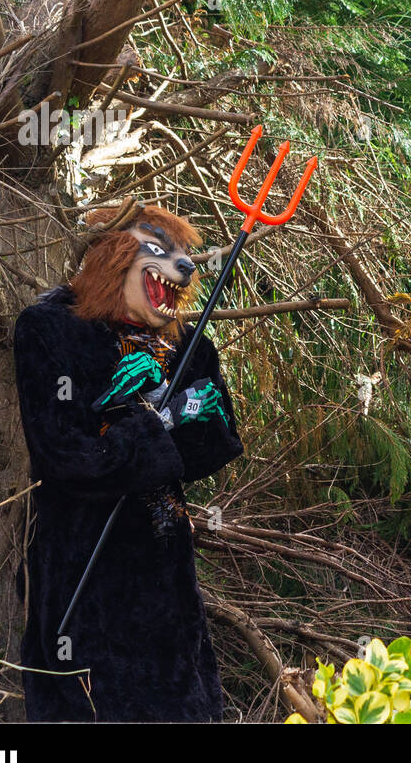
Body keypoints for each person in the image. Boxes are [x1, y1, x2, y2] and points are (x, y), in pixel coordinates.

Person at [13, 203, 242, 721]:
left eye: (186, 258)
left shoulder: (188, 346)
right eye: (160, 252)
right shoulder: (51, 328)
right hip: (81, 561)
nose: (182, 267)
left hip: (164, 560)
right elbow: (64, 456)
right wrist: (153, 420)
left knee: (182, 701)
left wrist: (189, 408)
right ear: (116, 256)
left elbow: (214, 445)